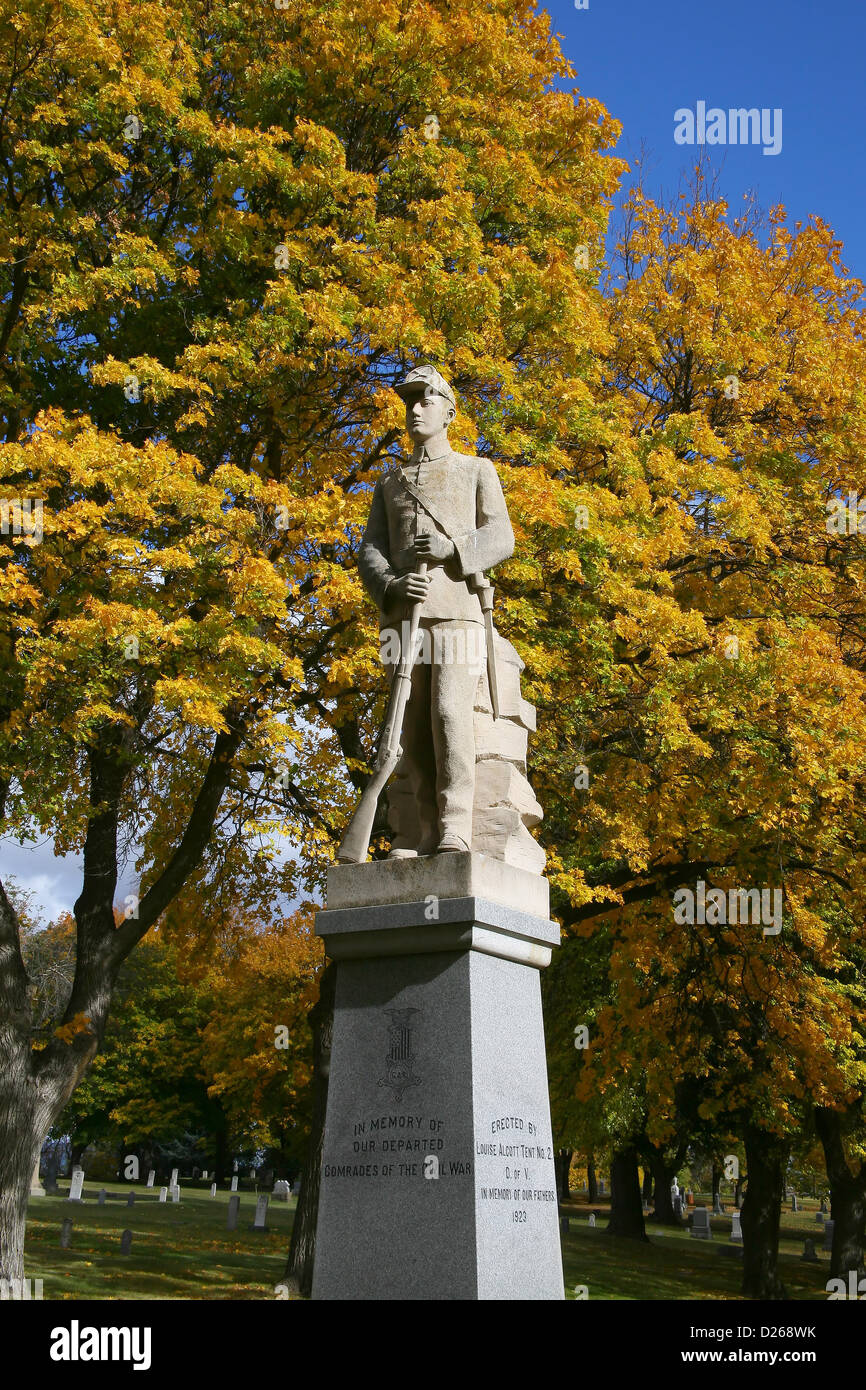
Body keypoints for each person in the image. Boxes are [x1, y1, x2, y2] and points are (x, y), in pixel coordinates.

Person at [357, 365, 514, 855]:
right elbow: (369, 549)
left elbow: (502, 536)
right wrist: (391, 583)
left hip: (455, 612)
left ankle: (455, 828)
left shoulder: (475, 469)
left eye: (426, 399)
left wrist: (453, 549)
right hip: (404, 617)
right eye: (410, 402)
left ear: (449, 410)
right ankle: (421, 834)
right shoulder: (391, 482)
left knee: (448, 713)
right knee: (410, 726)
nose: (415, 409)